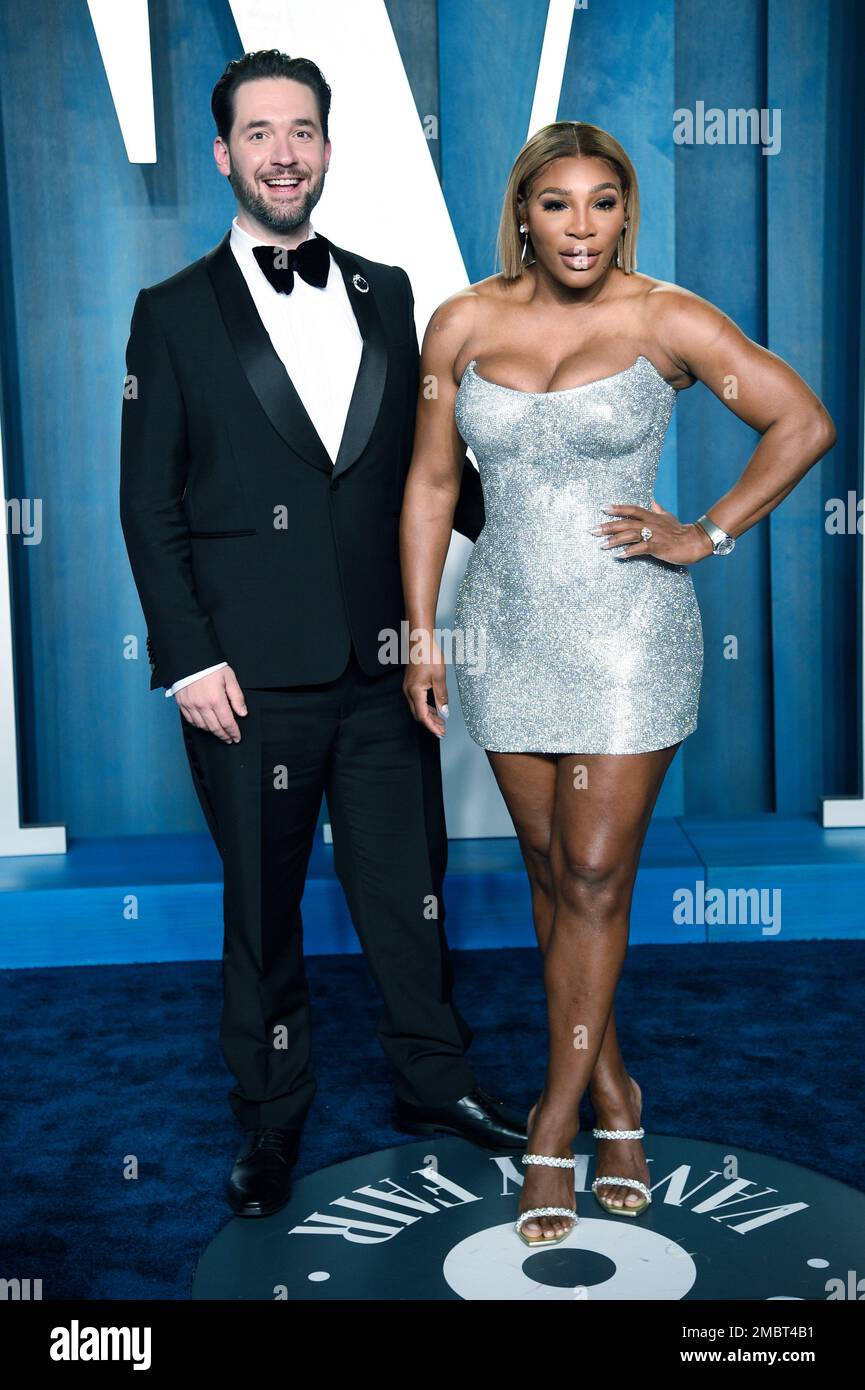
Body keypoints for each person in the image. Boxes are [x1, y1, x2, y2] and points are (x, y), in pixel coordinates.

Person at [399, 120, 836, 1245]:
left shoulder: (666, 318)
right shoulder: (461, 323)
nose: (580, 225)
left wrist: (708, 530)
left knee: (593, 870)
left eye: (601, 203)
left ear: (625, 213)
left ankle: (557, 1122)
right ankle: (615, 1092)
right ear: (524, 215)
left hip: (627, 634)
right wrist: (422, 629)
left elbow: (803, 421)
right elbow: (432, 481)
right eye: (557, 204)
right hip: (501, 626)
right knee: (553, 876)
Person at [119, 49, 528, 1220]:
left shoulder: (388, 292)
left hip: (384, 663)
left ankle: (432, 1084)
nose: (283, 153)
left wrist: (534, 523)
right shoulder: (172, 315)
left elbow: (426, 466)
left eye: (302, 131)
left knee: (411, 892)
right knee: (265, 910)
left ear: (329, 149)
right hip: (244, 678)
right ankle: (271, 1116)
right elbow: (146, 502)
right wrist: (187, 655)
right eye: (260, 133)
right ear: (224, 155)